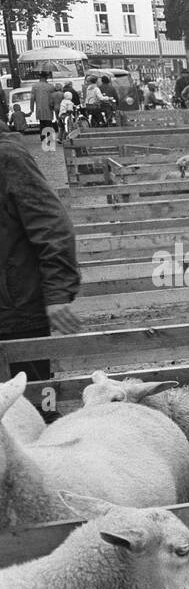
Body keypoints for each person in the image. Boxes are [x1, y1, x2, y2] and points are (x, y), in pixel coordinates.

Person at [0, 126, 84, 384]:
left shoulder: (7, 157)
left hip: (15, 313)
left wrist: (58, 293)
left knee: (33, 407)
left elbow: (52, 226)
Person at [31, 71, 57, 140]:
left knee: (42, 122)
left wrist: (31, 108)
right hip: (49, 107)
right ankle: (49, 137)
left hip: (39, 108)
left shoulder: (35, 86)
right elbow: (53, 97)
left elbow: (32, 98)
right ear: (46, 77)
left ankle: (43, 137)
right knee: (49, 123)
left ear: (40, 77)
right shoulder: (50, 86)